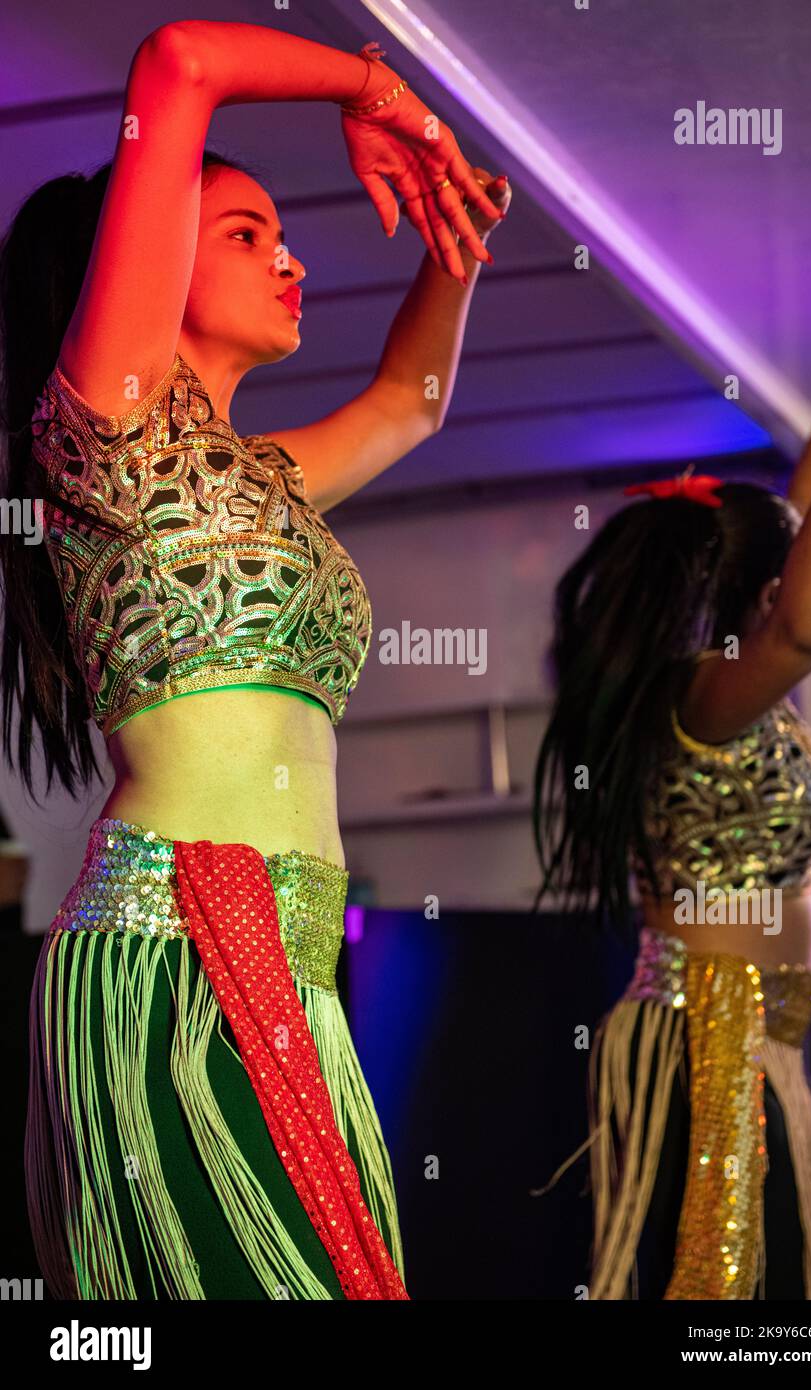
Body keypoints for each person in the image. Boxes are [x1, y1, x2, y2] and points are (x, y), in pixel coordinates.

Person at [0, 19, 510, 1300]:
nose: (289, 257)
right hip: (172, 943)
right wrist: (383, 92)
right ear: (147, 251)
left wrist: (456, 233)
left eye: (280, 234)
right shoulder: (104, 418)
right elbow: (178, 59)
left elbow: (413, 403)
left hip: (292, 958)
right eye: (244, 233)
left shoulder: (266, 480)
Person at [531, 336, 811, 1299]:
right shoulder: (702, 697)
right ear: (754, 600)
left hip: (753, 1041)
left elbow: (793, 543)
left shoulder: (728, 697)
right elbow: (805, 622)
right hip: (705, 1035)